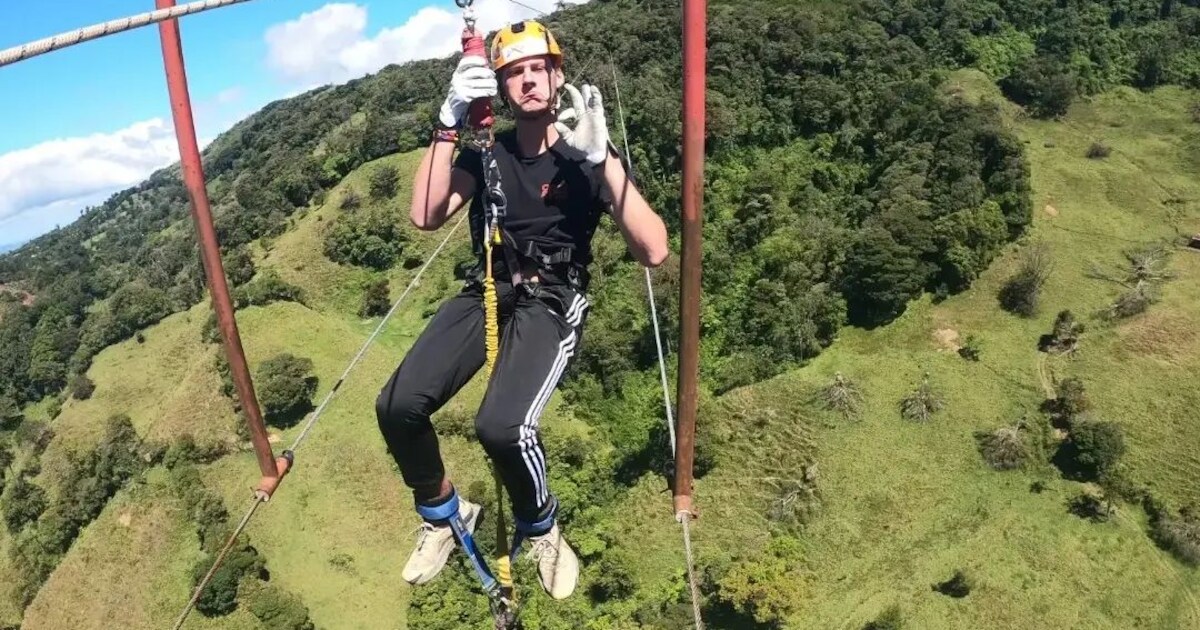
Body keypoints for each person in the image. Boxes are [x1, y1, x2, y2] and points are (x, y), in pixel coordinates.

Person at [374, 20, 668, 600]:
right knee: (397, 405)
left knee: (503, 427)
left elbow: (654, 248)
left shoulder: (585, 156)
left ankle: (543, 527)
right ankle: (443, 513)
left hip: (554, 295)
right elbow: (426, 215)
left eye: (539, 70)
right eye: (515, 74)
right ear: (501, 89)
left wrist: (602, 157)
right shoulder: (491, 152)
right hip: (490, 284)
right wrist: (447, 121)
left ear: (557, 77)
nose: (529, 82)